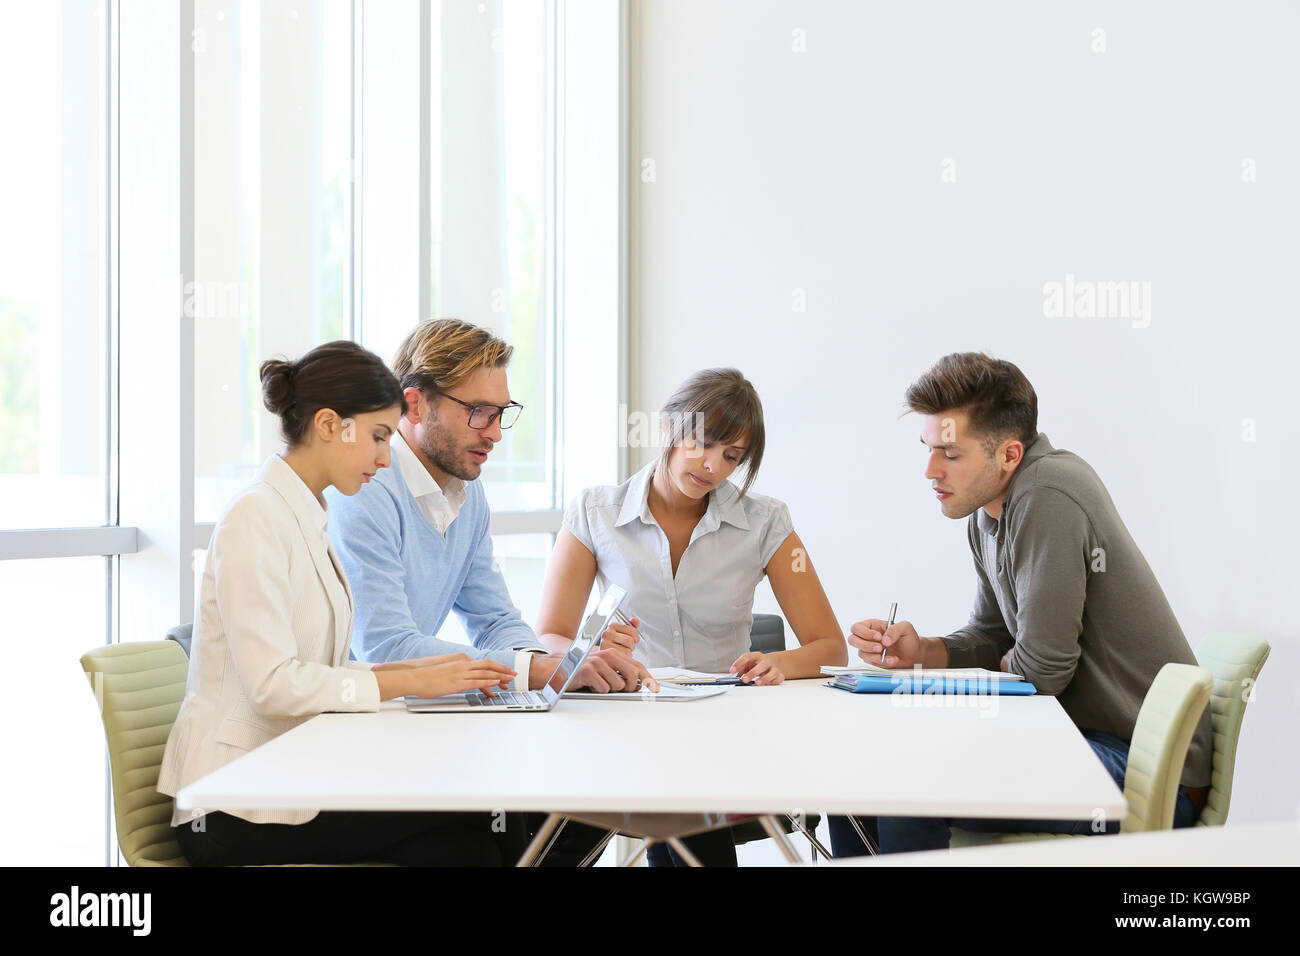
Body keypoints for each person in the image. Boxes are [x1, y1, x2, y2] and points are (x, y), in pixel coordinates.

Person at [158, 340, 525, 866]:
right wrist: (404, 679)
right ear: (329, 425)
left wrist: (433, 671)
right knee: (490, 818)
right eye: (378, 436)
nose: (384, 456)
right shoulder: (255, 516)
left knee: (475, 839)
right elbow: (272, 685)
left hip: (291, 775)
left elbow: (320, 666)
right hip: (231, 804)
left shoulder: (307, 512)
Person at [831, 352, 1212, 856]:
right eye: (926, 449)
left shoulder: (1048, 491)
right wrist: (922, 650)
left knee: (911, 777)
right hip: (1081, 744)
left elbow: (1046, 669)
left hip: (1143, 769)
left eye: (950, 453)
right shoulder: (987, 514)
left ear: (1009, 455)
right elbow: (993, 637)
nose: (929, 470)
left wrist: (1016, 657)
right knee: (850, 773)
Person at [327, 318, 654, 865]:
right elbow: (382, 647)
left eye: (501, 413)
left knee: (582, 809)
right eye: (477, 411)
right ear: (414, 405)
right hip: (343, 738)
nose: (495, 432)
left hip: (394, 729)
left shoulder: (465, 495)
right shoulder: (365, 490)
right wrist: (531, 672)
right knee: (516, 820)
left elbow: (496, 619)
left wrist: (561, 662)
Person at [534, 367, 848, 866]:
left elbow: (830, 648)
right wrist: (589, 652)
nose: (712, 467)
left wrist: (780, 664)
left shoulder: (766, 522)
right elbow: (549, 636)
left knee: (688, 798)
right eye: (702, 443)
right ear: (668, 430)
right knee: (554, 829)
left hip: (722, 734)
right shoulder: (594, 512)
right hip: (623, 726)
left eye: (732, 457)